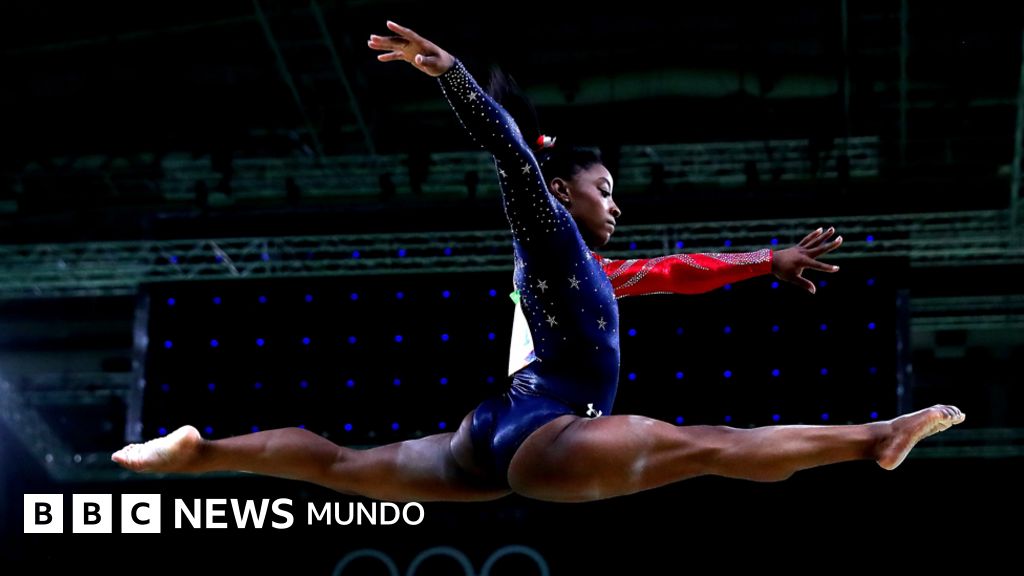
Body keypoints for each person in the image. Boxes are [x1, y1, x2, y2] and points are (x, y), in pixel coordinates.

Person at [112, 21, 965, 503]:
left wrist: (765, 260)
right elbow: (518, 162)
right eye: (604, 188)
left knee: (339, 465)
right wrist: (454, 78)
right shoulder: (550, 236)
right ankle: (871, 441)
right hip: (548, 428)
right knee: (708, 443)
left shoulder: (583, 274)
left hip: (486, 433)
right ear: (564, 192)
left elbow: (675, 273)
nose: (616, 203)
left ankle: (201, 451)